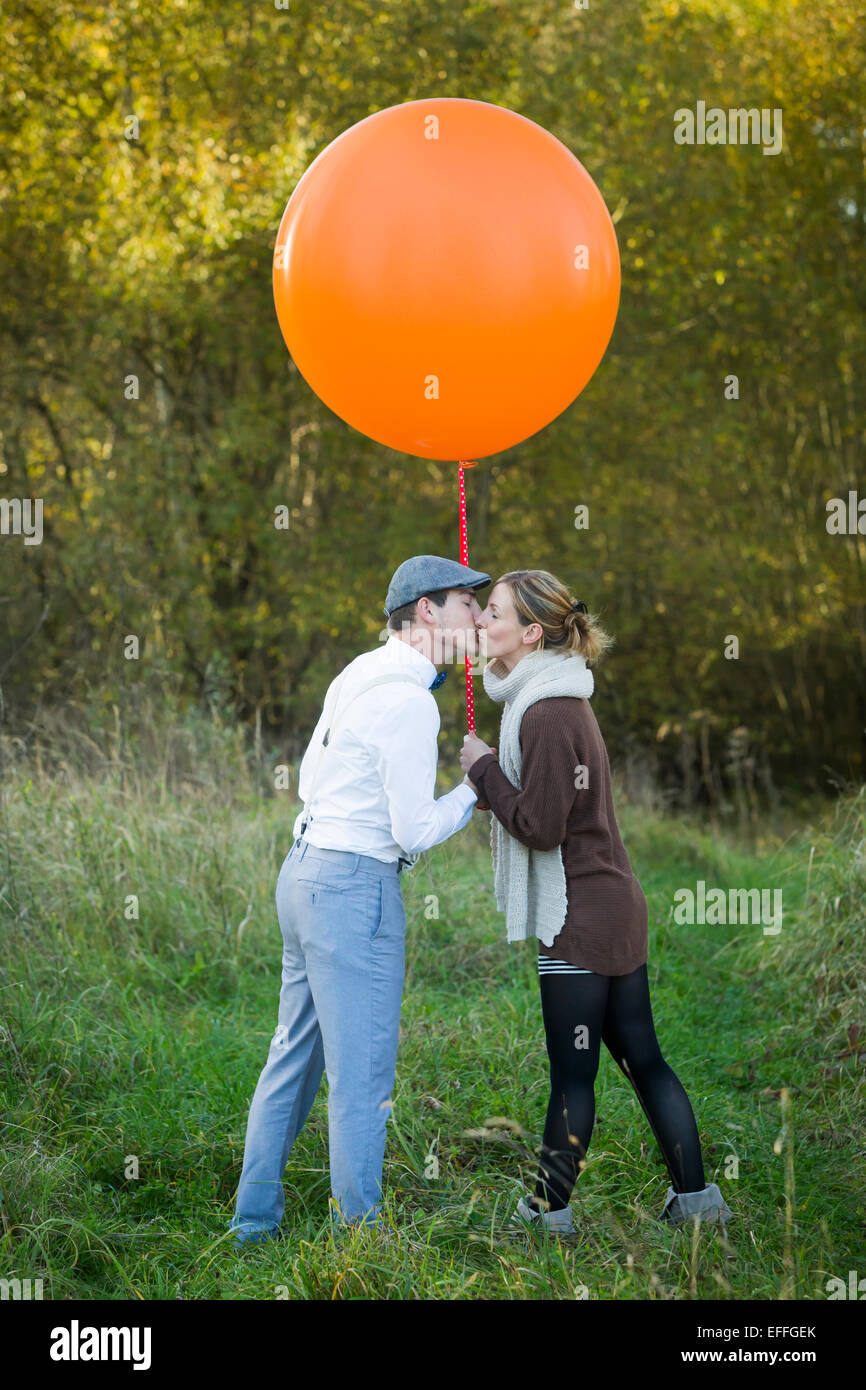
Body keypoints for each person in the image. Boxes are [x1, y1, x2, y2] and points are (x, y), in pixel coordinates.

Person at [460, 569, 733, 1234]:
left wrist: (482, 768)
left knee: (574, 1076)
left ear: (529, 631)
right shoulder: (554, 697)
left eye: (491, 614)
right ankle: (697, 1207)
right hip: (612, 903)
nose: (480, 625)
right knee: (644, 1058)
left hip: (578, 915)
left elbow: (542, 825)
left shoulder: (549, 713)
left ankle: (547, 1214)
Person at [230, 555, 491, 1246]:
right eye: (469, 603)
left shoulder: (359, 670)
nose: (479, 617)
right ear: (427, 611)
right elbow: (412, 830)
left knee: (292, 1054)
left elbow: (312, 776)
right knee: (363, 1073)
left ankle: (253, 1224)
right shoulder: (409, 700)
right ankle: (362, 1239)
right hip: (352, 888)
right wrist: (476, 786)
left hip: (303, 872)